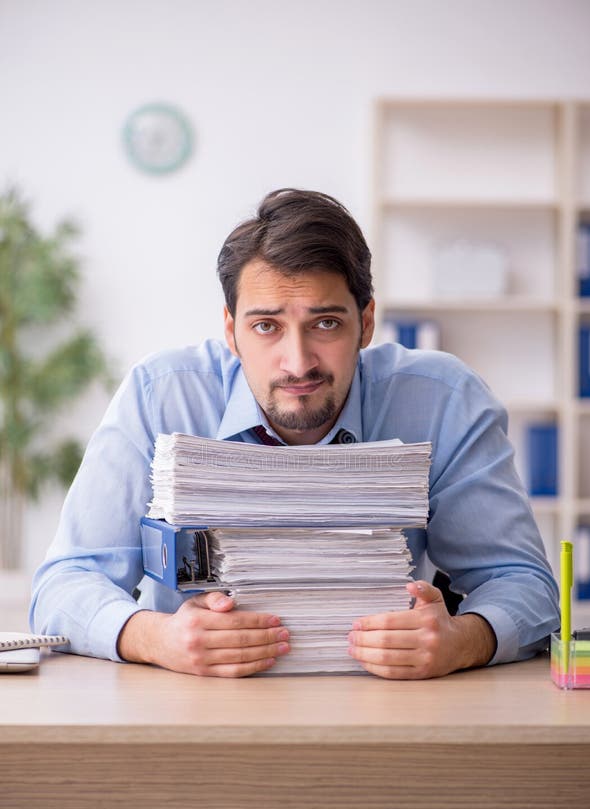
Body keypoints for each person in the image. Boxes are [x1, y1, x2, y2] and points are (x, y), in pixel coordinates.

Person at [30, 188, 559, 679]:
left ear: (366, 323)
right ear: (231, 330)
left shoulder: (443, 399)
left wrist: (464, 640)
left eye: (325, 322)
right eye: (266, 326)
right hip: (196, 712)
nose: (298, 361)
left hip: (385, 712)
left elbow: (525, 584)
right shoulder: (160, 394)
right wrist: (155, 637)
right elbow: (64, 584)